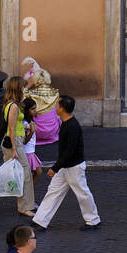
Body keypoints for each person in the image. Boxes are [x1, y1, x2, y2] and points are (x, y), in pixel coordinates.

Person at [32, 94, 101, 231]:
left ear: (62, 109)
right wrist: (59, 167)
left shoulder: (72, 127)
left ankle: (93, 220)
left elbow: (69, 151)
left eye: (57, 105)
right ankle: (40, 221)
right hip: (66, 166)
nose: (55, 107)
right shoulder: (68, 124)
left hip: (73, 167)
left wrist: (55, 168)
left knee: (82, 193)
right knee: (54, 191)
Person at [0, 75, 36, 218]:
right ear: (17, 88)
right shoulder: (13, 106)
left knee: (6, 174)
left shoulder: (14, 104)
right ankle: (25, 207)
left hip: (15, 141)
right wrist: (14, 149)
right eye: (22, 87)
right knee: (25, 174)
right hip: (14, 143)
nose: (24, 89)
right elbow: (11, 129)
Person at [21, 97, 42, 185]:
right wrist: (31, 132)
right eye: (32, 109)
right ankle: (28, 194)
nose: (34, 111)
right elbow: (24, 141)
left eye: (35, 108)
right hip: (27, 152)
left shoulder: (29, 121)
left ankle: (29, 194)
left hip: (30, 151)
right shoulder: (25, 124)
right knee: (35, 173)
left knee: (37, 173)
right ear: (26, 110)